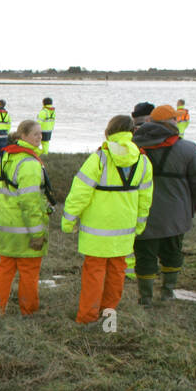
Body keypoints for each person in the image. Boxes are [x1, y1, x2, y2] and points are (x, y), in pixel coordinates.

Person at [61, 115, 153, 324]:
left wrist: (69, 220)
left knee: (94, 274)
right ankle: (108, 315)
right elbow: (145, 198)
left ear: (108, 132)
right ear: (132, 132)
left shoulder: (100, 158)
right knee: (117, 274)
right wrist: (140, 224)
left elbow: (79, 192)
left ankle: (86, 318)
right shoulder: (143, 161)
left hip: (96, 231)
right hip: (125, 229)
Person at [132, 105, 196, 305]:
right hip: (176, 213)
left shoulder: (134, 146)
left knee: (144, 255)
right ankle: (167, 292)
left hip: (141, 212)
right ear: (172, 122)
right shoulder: (188, 148)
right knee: (172, 253)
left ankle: (145, 297)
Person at [0, 120, 52, 317]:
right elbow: (30, 203)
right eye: (35, 134)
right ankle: (29, 311)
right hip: (25, 230)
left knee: (4, 270)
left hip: (7, 227)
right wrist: (37, 234)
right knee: (29, 272)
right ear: (23, 135)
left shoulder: (6, 156)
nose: (40, 138)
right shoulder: (30, 163)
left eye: (41, 134)